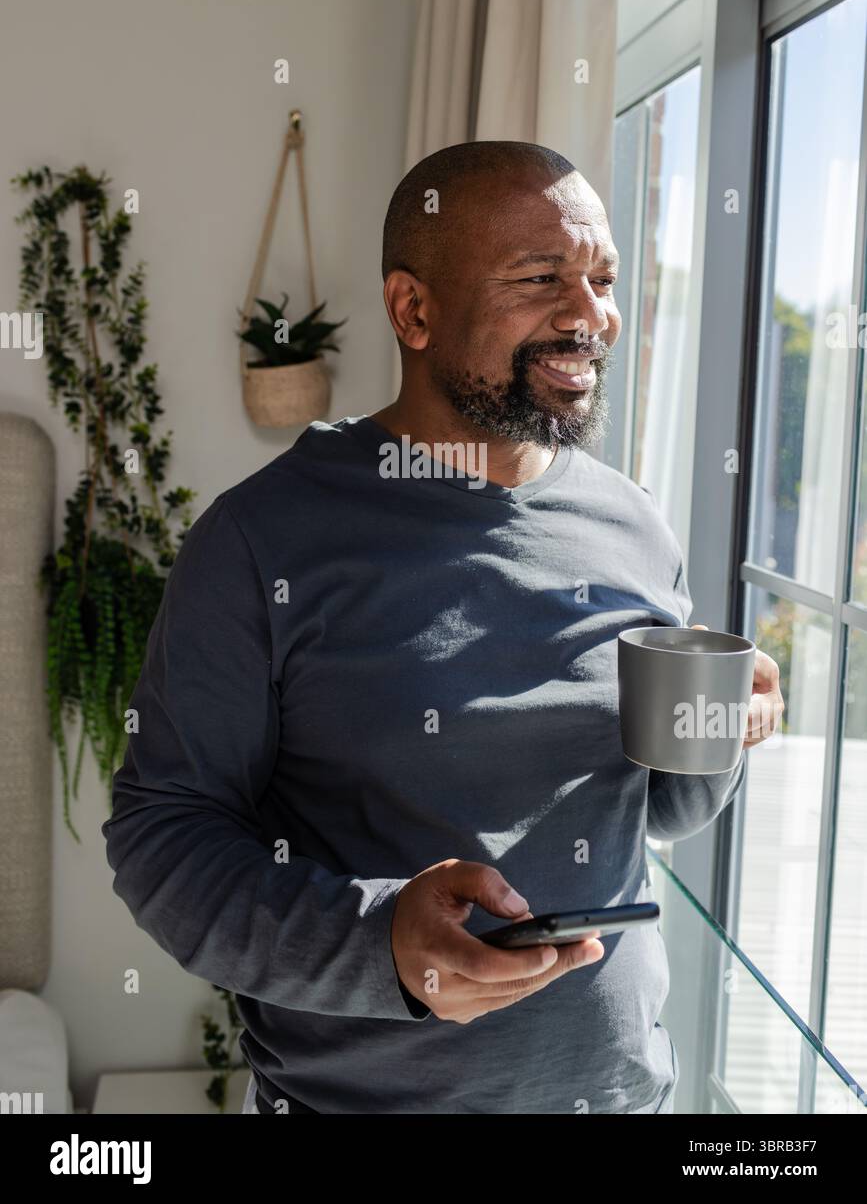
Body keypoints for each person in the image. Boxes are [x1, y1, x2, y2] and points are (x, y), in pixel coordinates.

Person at [102, 141, 783, 1114]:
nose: (591, 317)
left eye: (602, 279)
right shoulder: (261, 540)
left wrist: (721, 732)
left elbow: (657, 812)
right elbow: (162, 838)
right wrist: (380, 947)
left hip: (622, 1099)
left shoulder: (633, 524)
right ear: (413, 309)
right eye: (542, 278)